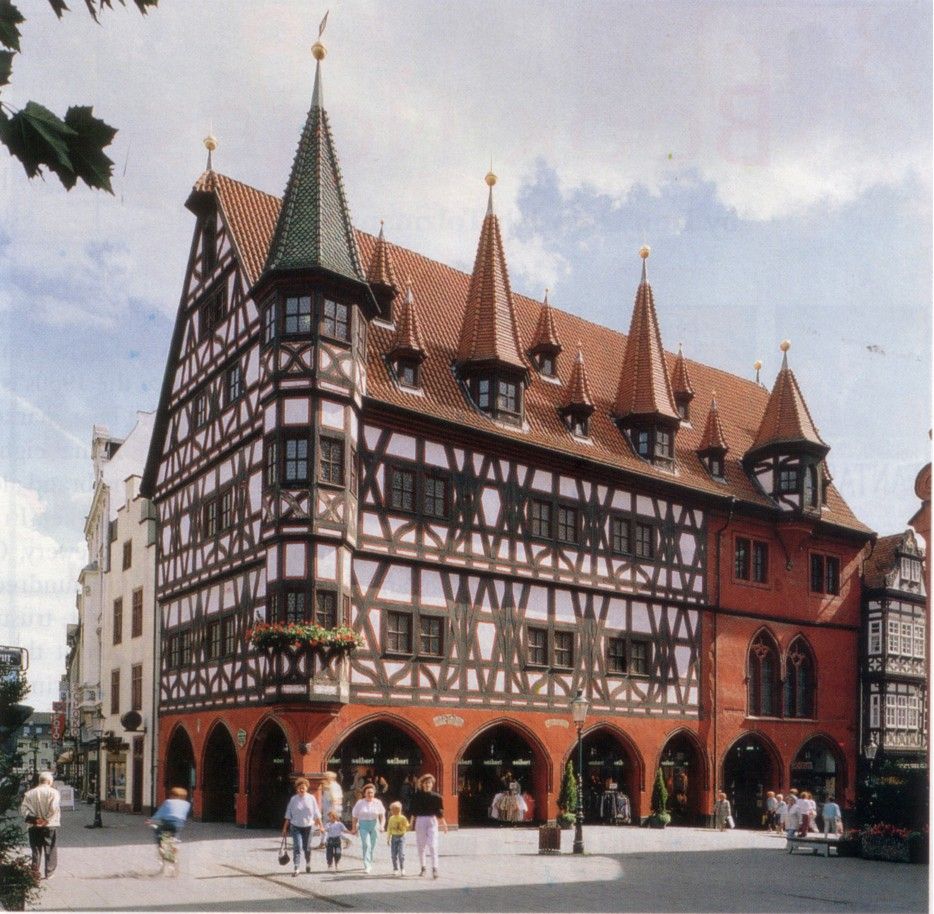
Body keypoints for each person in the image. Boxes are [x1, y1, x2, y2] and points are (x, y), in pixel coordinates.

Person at [20, 771, 60, 879]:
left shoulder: (29, 793)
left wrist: (36, 820)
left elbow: (24, 810)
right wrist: (46, 820)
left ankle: (35, 872)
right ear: (49, 781)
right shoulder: (54, 792)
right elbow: (54, 808)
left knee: (36, 850)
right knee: (50, 848)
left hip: (33, 826)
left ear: (40, 781)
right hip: (50, 825)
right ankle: (49, 873)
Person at [281, 777, 323, 877]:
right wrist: (284, 828)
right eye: (299, 787)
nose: (301, 789)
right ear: (297, 789)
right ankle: (296, 867)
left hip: (309, 826)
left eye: (303, 787)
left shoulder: (311, 798)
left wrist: (321, 826)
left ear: (307, 788)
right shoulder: (293, 799)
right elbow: (288, 814)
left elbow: (317, 813)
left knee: (307, 848)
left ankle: (308, 863)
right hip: (296, 827)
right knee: (297, 847)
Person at [409, 773, 448, 879]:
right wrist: (411, 822)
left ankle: (435, 868)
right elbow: (413, 810)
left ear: (432, 784)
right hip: (420, 820)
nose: (427, 785)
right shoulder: (416, 796)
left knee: (433, 845)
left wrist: (444, 824)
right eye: (425, 783)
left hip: (432, 820)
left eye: (429, 783)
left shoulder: (437, 797)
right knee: (421, 846)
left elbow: (439, 812)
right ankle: (423, 868)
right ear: (422, 784)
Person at [351, 783, 385, 874]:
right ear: (364, 793)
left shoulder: (377, 802)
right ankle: (367, 865)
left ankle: (369, 861)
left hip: (374, 825)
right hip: (363, 825)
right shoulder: (360, 803)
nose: (370, 794)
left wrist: (382, 825)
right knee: (366, 845)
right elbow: (354, 816)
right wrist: (354, 828)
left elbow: (382, 816)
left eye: (371, 793)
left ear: (374, 793)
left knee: (372, 846)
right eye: (368, 793)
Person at [386, 801, 409, 876]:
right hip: (394, 837)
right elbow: (389, 828)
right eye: (392, 809)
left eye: (396, 809)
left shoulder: (403, 818)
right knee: (393, 854)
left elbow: (407, 826)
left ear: (400, 810)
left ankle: (402, 868)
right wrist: (388, 838)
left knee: (401, 854)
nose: (394, 811)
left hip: (401, 837)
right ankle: (395, 868)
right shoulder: (391, 818)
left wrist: (410, 824)